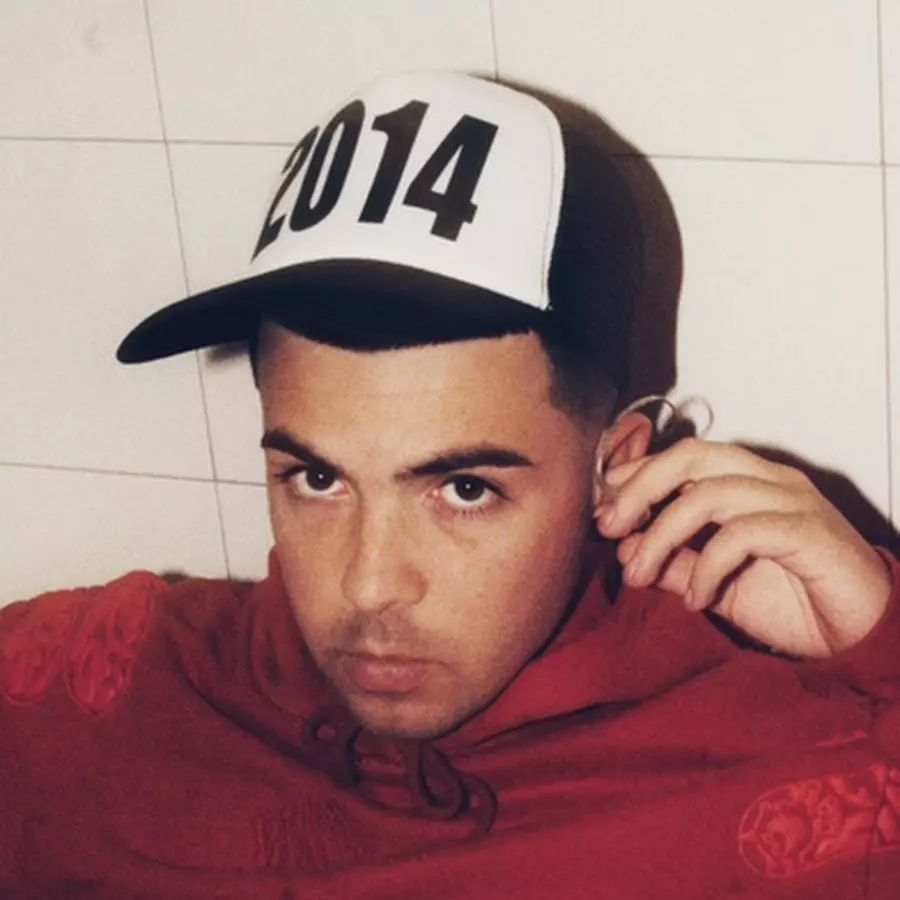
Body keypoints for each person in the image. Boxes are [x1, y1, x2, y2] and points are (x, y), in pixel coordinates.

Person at [1, 71, 898, 899]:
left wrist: (887, 649)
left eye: (464, 489)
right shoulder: (118, 696)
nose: (368, 586)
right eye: (317, 477)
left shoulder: (781, 772)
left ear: (617, 469)